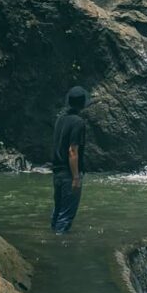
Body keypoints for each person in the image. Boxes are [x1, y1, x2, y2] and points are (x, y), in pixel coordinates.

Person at [50, 85, 89, 234]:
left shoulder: (60, 120)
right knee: (66, 216)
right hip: (68, 174)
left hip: (57, 172)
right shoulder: (78, 122)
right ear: (83, 103)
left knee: (57, 211)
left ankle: (52, 241)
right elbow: (73, 151)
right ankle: (60, 247)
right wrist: (76, 177)